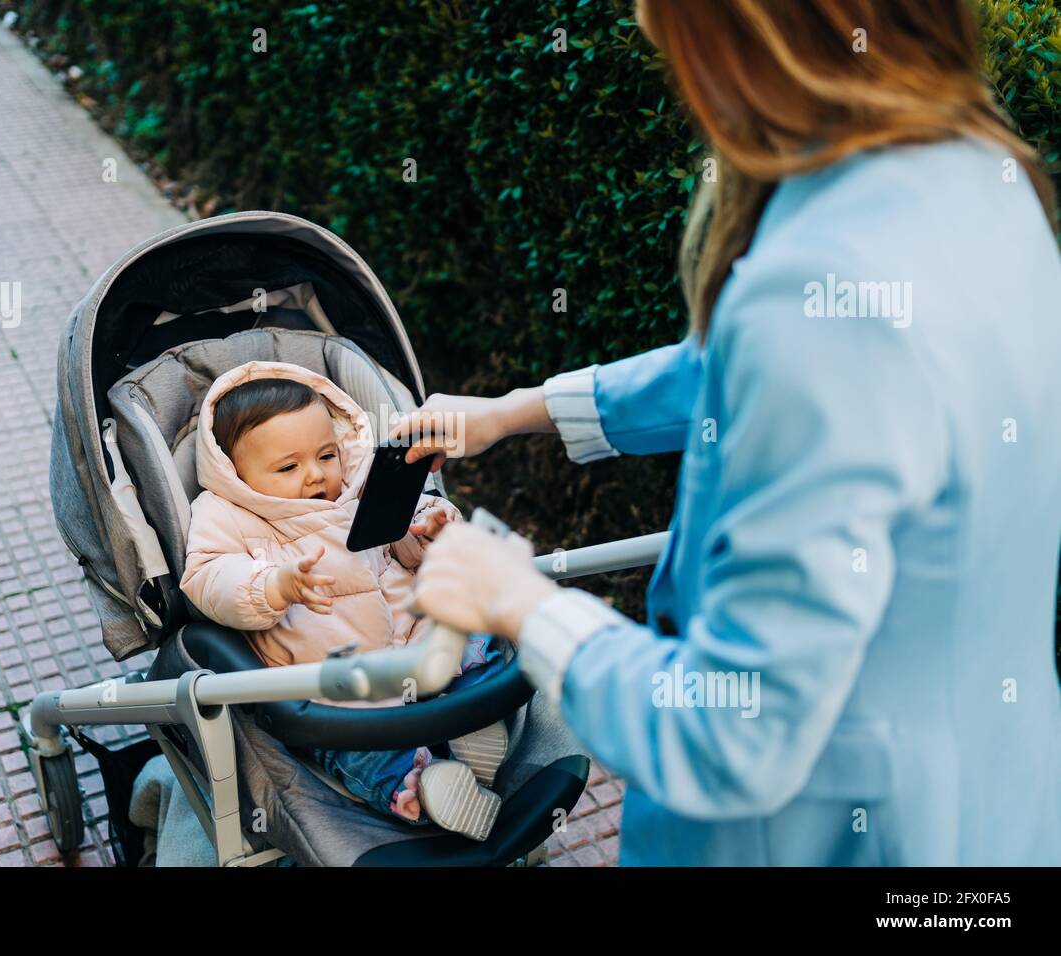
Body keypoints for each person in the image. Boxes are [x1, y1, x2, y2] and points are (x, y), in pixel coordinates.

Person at [396, 0, 1061, 864]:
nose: (644, 27)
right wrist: (516, 412)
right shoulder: (979, 175)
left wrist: (522, 603)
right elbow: (733, 371)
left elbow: (735, 730)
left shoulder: (816, 291)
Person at [180, 361, 509, 841]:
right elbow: (208, 577)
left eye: (327, 454)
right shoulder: (227, 515)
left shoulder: (359, 480)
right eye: (289, 467)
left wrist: (430, 530)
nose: (316, 475)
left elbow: (402, 538)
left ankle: (473, 722)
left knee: (471, 634)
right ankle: (426, 784)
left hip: (416, 640)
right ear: (237, 473)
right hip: (338, 686)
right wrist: (274, 586)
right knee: (355, 748)